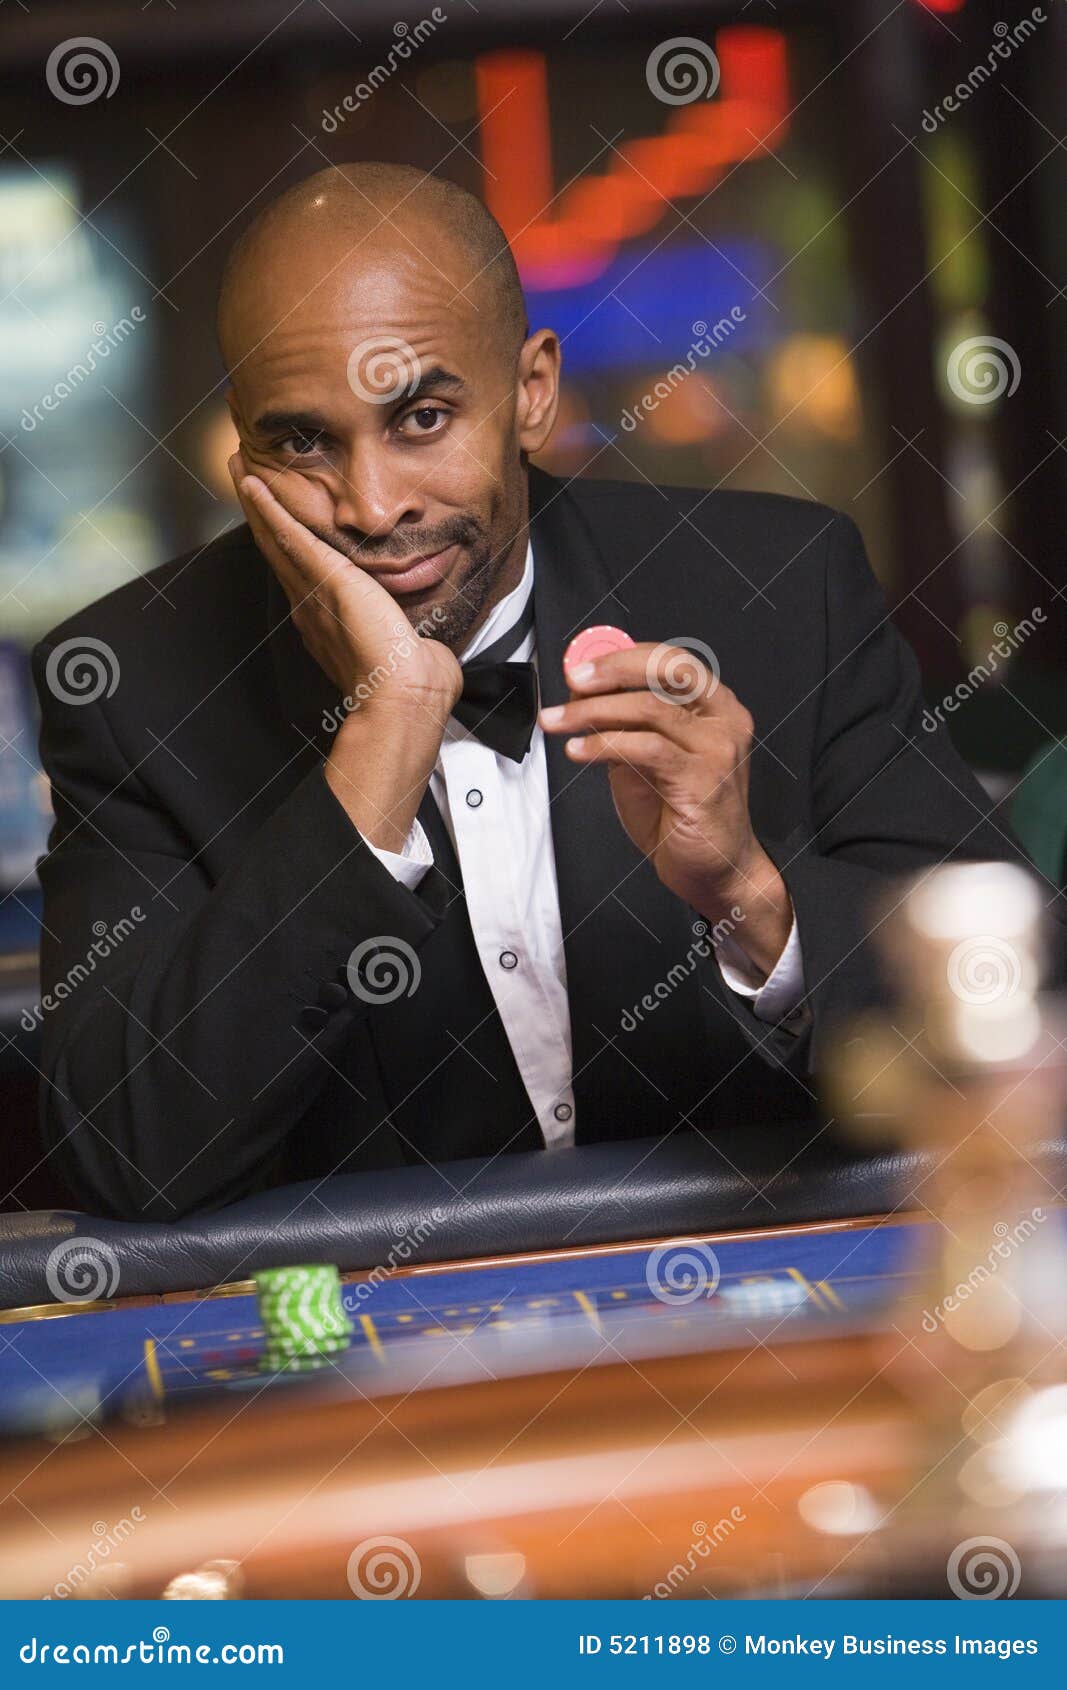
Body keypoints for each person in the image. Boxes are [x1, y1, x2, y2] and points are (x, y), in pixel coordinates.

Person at [31, 163, 1032, 1221]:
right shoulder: (134, 683)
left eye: (420, 417)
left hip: (768, 1319)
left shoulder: (775, 588)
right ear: (241, 450)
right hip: (376, 1364)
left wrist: (750, 896)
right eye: (303, 441)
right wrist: (381, 742)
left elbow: (999, 990)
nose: (372, 507)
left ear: (531, 391)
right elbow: (124, 1154)